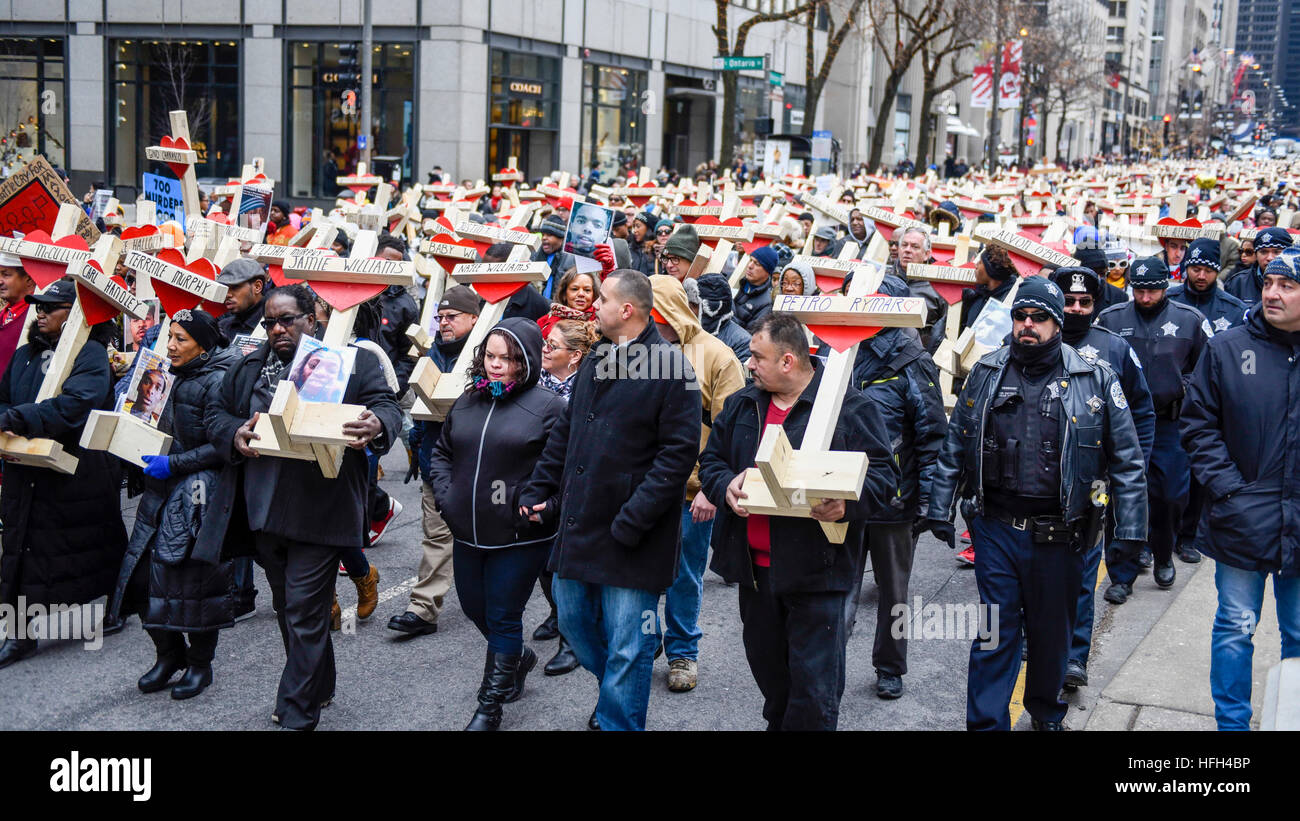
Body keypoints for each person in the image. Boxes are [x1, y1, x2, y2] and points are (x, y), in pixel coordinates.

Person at [921, 276, 1147, 730]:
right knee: (994, 635)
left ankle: (1045, 713)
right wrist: (938, 507)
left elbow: (1128, 461)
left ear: (1057, 323)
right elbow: (956, 443)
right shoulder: (986, 371)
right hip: (996, 528)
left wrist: (1130, 533)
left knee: (1050, 636)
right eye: (1020, 316)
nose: (1028, 325)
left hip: (1061, 534)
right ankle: (986, 723)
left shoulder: (1095, 376)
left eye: (1039, 317)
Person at [517, 269, 701, 731]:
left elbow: (677, 458)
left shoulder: (673, 369)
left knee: (626, 644)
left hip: (632, 534)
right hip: (581, 526)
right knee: (575, 624)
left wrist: (631, 520)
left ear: (627, 310)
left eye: (601, 299)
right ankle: (621, 685)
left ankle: (617, 716)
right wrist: (540, 487)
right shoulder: (598, 359)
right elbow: (566, 433)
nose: (591, 306)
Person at [212, 284, 401, 730]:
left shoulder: (352, 362)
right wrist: (233, 433)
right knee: (289, 606)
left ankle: (298, 709)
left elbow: (387, 406)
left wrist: (377, 423)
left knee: (302, 607)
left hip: (323, 506)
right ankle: (321, 683)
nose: (277, 329)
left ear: (311, 319)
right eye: (270, 323)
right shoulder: (249, 366)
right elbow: (216, 414)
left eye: (287, 320)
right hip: (263, 508)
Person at [698, 312, 899, 729]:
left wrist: (846, 505)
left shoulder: (849, 407)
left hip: (817, 574)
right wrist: (724, 486)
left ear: (788, 361)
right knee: (774, 683)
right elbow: (712, 460)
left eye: (757, 357)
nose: (748, 364)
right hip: (755, 574)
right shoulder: (742, 404)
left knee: (814, 694)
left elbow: (884, 477)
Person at [1180, 247, 1300, 731]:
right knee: (1235, 629)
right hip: (1241, 519)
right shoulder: (1227, 349)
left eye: (1288, 286)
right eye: (1269, 283)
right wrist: (1230, 490)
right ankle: (1232, 728)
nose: (1273, 293)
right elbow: (1198, 426)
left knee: (1297, 635)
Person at [427, 318, 567, 730]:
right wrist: (446, 496)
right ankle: (517, 658)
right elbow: (442, 453)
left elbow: (569, 472)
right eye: (490, 356)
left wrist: (549, 506)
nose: (497, 365)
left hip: (521, 537)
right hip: (467, 531)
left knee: (504, 615)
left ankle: (489, 708)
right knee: (475, 607)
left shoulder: (550, 407)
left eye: (507, 358)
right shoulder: (469, 400)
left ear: (526, 361)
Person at [109, 310, 242, 699]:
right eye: (170, 337)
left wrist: (175, 464)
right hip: (158, 490)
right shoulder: (164, 372)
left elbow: (221, 445)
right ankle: (168, 656)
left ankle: (200, 665)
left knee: (196, 585)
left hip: (199, 493)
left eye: (181, 339)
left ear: (203, 344)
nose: (170, 346)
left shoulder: (219, 381)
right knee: (142, 578)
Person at [0, 278, 128, 669]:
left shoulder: (89, 354)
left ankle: (111, 605)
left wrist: (17, 419)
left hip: (77, 467)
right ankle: (19, 630)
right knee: (21, 546)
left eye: (49, 308)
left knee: (90, 541)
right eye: (38, 306)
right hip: (26, 463)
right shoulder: (25, 353)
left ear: (73, 315)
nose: (39, 313)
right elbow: (4, 394)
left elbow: (76, 405)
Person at [1048, 265, 1156, 688]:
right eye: (1068, 301)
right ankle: (1029, 636)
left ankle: (1075, 657)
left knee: (1082, 569)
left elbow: (1142, 413)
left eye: (1084, 303)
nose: (1075, 309)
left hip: (1094, 486)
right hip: (1035, 482)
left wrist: (1132, 469)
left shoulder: (1113, 349)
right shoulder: (1028, 341)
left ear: (1096, 306)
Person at [842, 276, 948, 699]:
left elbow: (932, 434)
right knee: (836, 589)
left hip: (893, 498)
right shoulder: (837, 350)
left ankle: (890, 666)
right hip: (841, 496)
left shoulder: (911, 359)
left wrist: (928, 500)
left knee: (894, 592)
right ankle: (826, 664)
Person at [649, 275, 746, 693]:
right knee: (639, 574)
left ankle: (683, 652)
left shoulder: (718, 356)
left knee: (684, 575)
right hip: (640, 489)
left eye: (654, 315)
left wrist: (710, 487)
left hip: (691, 492)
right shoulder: (629, 351)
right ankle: (645, 640)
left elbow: (735, 430)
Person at [1096, 256, 1210, 595]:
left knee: (1171, 496)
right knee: (1122, 496)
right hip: (1123, 422)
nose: (1145, 298)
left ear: (1166, 287)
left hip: (1169, 424)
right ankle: (1123, 574)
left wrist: (1183, 387)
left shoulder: (1189, 320)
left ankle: (1163, 553)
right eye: (1140, 290)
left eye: (1153, 291)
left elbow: (1208, 367)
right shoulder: (1111, 320)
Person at [394, 285, 479, 638]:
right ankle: (423, 608)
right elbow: (421, 413)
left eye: (452, 317)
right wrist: (417, 448)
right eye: (440, 317)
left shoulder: (489, 356)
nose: (444, 323)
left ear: (474, 319)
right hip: (437, 464)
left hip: (478, 467)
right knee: (436, 536)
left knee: (483, 541)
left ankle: (494, 605)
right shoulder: (430, 356)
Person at [532, 318, 598, 676]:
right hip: (539, 478)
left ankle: (572, 640)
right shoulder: (533, 381)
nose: (544, 349)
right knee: (543, 562)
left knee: (567, 565)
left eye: (552, 346)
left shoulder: (588, 387)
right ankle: (559, 615)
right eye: (545, 342)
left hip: (573, 483)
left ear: (574, 357)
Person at [374, 234, 420, 395]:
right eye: (387, 262)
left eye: (397, 264)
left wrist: (393, 391)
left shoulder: (405, 306)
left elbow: (409, 355)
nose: (392, 268)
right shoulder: (349, 292)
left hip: (383, 390)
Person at [892, 227, 948, 354]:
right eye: (904, 245)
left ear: (927, 254)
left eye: (915, 247)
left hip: (920, 359)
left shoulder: (938, 288)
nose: (907, 250)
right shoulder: (883, 279)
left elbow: (943, 332)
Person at [1226, 226, 1292, 306]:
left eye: (1276, 252)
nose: (1269, 258)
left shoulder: (1297, 283)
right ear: (1256, 255)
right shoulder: (1237, 283)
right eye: (1264, 252)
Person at [696, 273, 752, 367]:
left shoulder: (743, 343)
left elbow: (743, 380)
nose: (688, 308)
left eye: (694, 304)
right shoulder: (690, 333)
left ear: (710, 308)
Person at [959, 245, 1017, 332]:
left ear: (990, 270)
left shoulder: (1009, 302)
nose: (976, 265)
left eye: (981, 262)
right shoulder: (975, 296)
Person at [216, 258, 270, 339]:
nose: (227, 294)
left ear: (257, 286)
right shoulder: (222, 327)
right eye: (225, 288)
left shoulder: (275, 324)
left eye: (235, 287)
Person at [0, 250, 35, 375]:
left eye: (6, 275)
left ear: (29, 279)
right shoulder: (4, 314)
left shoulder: (36, 317)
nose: (0, 281)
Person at [538, 268, 599, 337]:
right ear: (564, 294)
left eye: (587, 290)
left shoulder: (601, 322)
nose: (581, 294)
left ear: (594, 295)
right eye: (574, 289)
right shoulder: (546, 322)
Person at [734, 245, 778, 332]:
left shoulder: (766, 306)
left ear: (767, 272)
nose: (750, 266)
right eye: (751, 260)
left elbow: (748, 337)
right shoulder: (736, 283)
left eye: (757, 264)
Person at [532, 217, 576, 300]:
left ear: (561, 239)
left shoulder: (571, 260)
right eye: (543, 234)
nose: (544, 238)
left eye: (549, 235)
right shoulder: (535, 256)